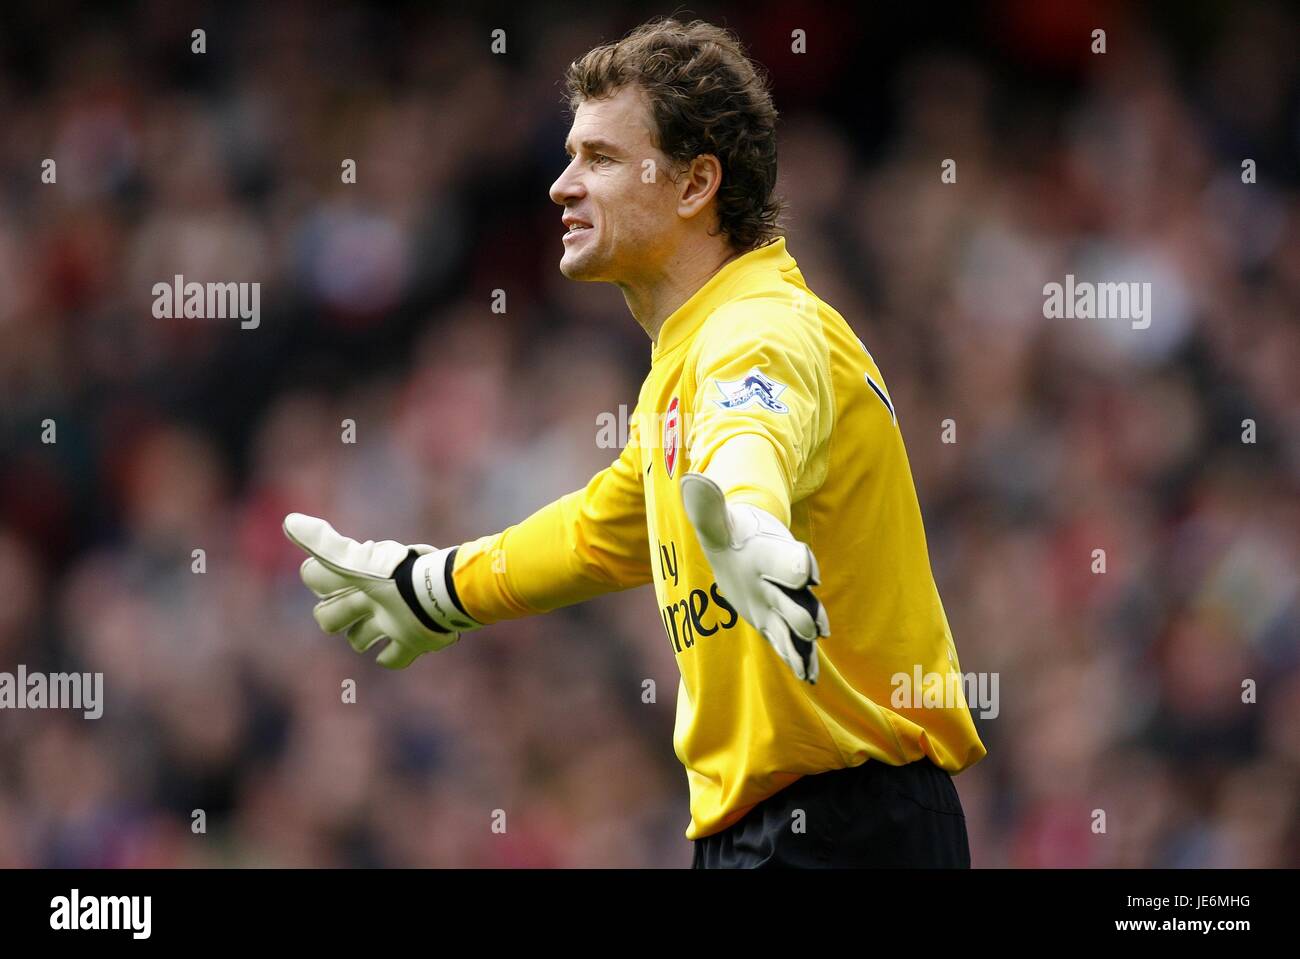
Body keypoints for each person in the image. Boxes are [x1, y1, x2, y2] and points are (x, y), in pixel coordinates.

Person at [284, 17, 986, 868]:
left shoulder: (762, 327)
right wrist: (435, 586)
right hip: (776, 829)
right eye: (572, 153)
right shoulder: (682, 365)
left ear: (695, 184)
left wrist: (750, 525)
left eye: (602, 159)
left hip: (844, 828)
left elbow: (747, 437)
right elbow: (597, 531)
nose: (561, 185)